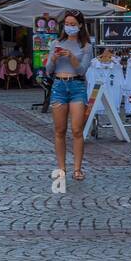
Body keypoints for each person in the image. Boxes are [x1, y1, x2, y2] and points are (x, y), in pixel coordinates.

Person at [46, 13, 93, 182]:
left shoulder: (86, 46)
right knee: (59, 130)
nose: (69, 26)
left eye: (73, 23)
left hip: (77, 86)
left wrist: (71, 57)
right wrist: (53, 57)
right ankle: (61, 168)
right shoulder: (56, 43)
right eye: (66, 23)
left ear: (80, 25)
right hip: (59, 85)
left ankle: (77, 168)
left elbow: (82, 70)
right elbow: (48, 70)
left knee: (76, 129)